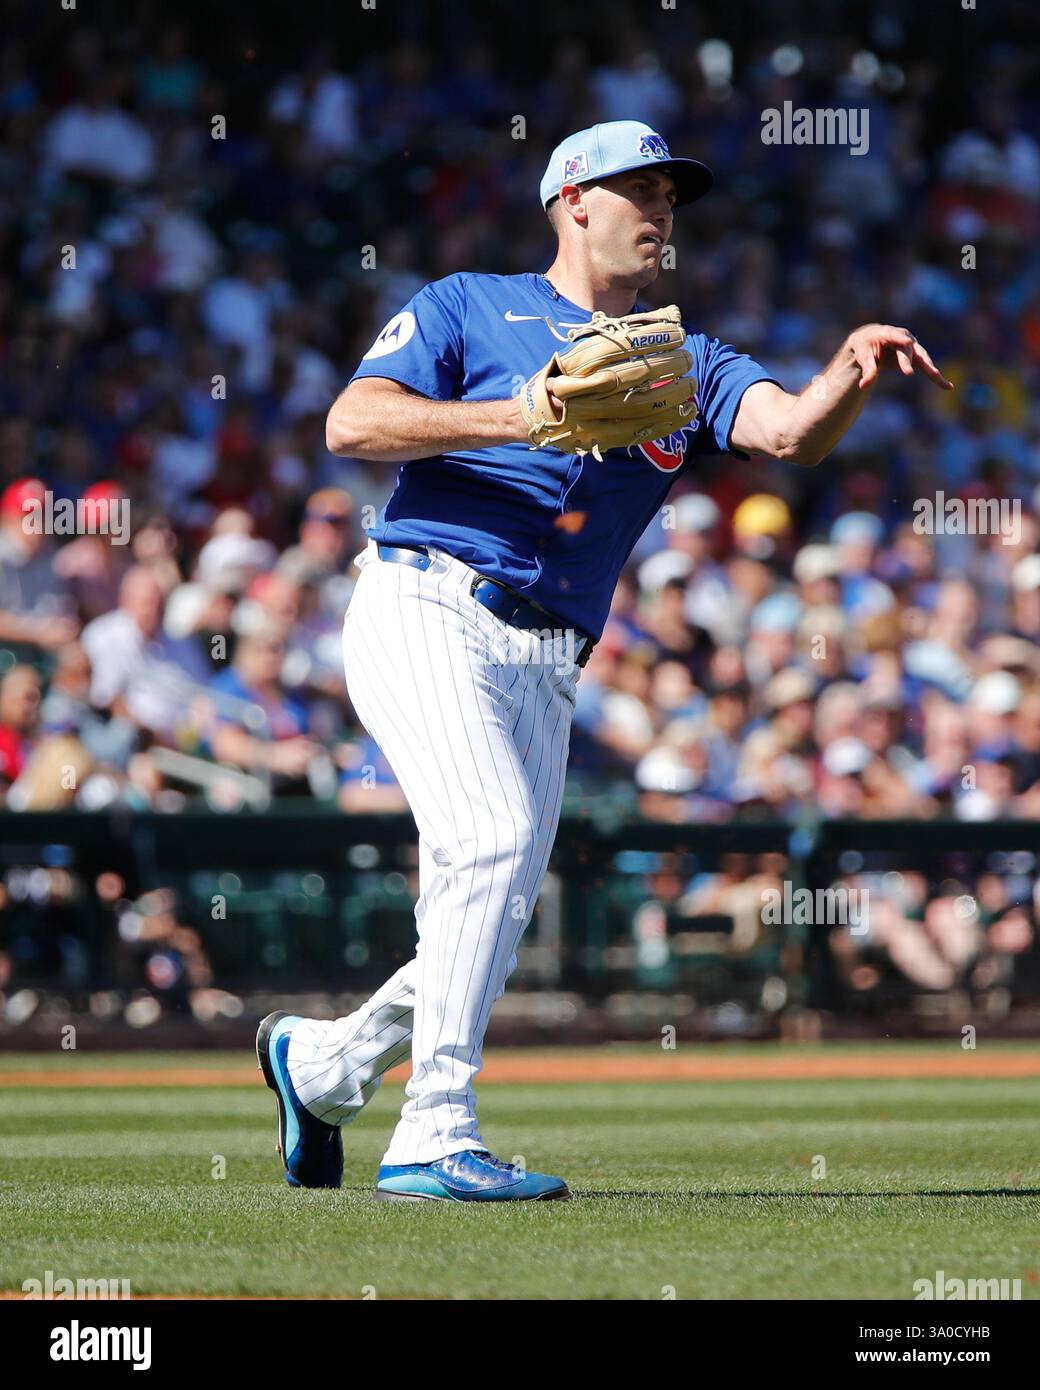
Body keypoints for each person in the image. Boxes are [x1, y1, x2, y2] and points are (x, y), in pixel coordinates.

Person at [256, 120, 952, 1202]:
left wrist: (845, 374)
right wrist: (518, 414)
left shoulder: (685, 357)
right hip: (429, 598)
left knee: (488, 901)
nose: (661, 209)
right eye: (639, 189)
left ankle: (323, 1064)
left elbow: (784, 432)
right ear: (571, 199)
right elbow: (354, 422)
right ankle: (432, 1131)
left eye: (671, 194)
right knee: (486, 847)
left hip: (551, 656)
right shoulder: (468, 304)